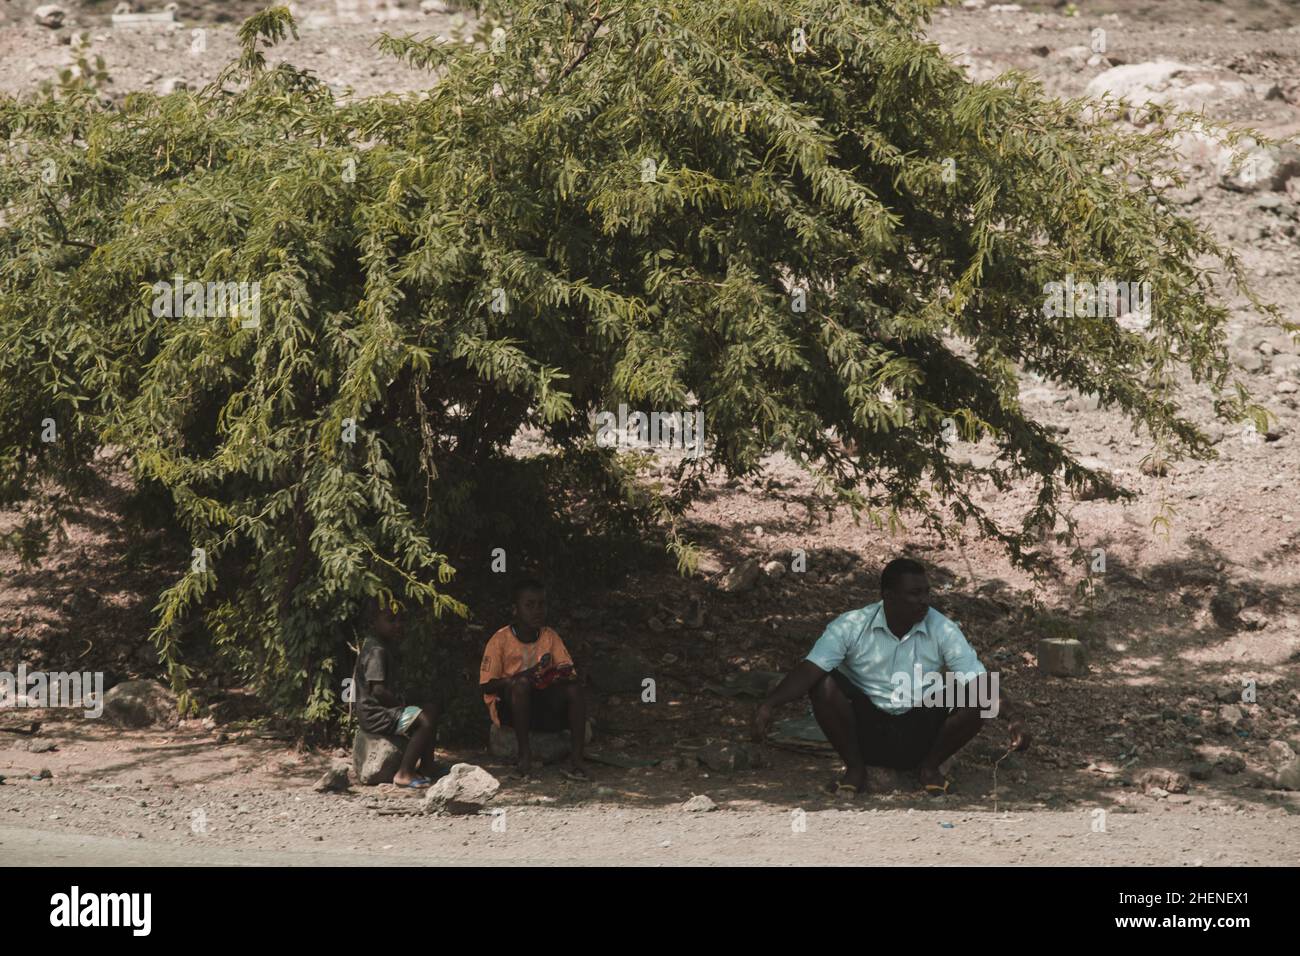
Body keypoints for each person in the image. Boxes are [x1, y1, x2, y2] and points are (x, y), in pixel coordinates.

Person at [752, 557, 1029, 796]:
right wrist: (770, 704)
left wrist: (1013, 717)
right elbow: (810, 669)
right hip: (867, 729)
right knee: (824, 683)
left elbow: (977, 680)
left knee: (976, 696)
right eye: (914, 593)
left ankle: (930, 768)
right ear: (888, 595)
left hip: (921, 729)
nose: (924, 601)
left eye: (926, 592)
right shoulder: (852, 625)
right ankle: (855, 769)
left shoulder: (942, 628)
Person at [479, 578, 589, 780]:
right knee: (520, 685)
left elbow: (567, 669)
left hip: (543, 708)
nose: (537, 610)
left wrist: (555, 676)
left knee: (574, 688)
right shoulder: (500, 639)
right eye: (529, 605)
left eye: (541, 605)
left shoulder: (550, 636)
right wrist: (521, 677)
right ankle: (524, 757)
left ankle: (577, 761)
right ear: (515, 609)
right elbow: (487, 686)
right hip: (512, 711)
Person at [352, 598, 440, 788]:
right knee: (423, 719)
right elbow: (379, 691)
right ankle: (404, 772)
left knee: (430, 709)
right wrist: (403, 707)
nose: (397, 625)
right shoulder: (376, 650)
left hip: (379, 711)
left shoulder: (381, 645)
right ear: (374, 622)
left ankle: (427, 767)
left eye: (400, 620)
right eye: (390, 620)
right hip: (375, 714)